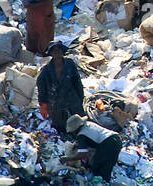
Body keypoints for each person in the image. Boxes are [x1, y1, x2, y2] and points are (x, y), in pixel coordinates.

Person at [36, 41, 121, 178]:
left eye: (58, 50)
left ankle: (81, 146)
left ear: (62, 52)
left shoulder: (69, 64)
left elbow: (77, 82)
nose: (56, 53)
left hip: (72, 99)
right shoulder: (46, 70)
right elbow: (41, 87)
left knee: (77, 124)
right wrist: (43, 104)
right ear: (50, 54)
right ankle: (69, 143)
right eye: (54, 51)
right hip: (56, 103)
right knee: (61, 126)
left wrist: (80, 98)